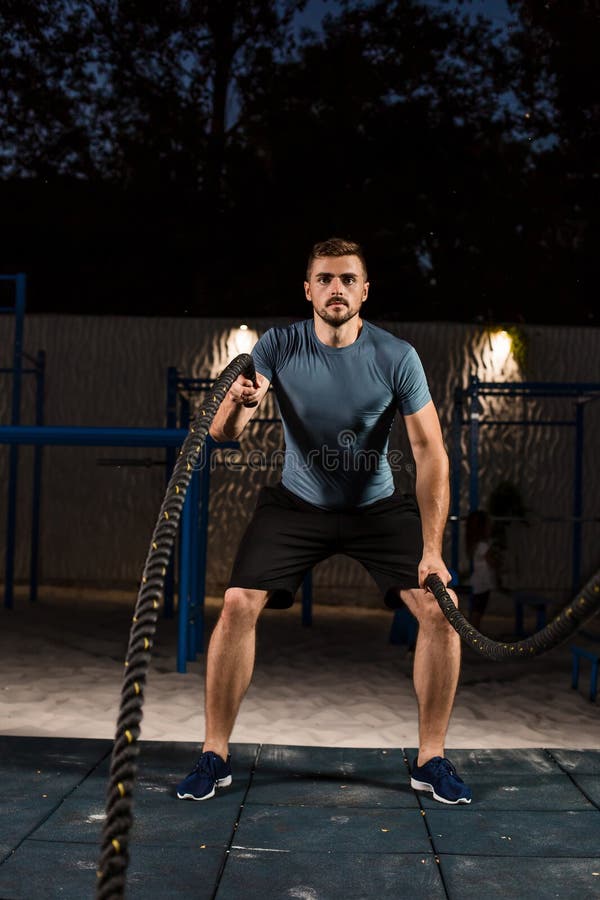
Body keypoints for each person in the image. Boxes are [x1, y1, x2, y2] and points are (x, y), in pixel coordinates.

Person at [176, 237, 471, 806]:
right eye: (325, 278)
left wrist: (431, 548)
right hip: (297, 505)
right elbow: (223, 435)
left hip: (377, 508)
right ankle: (214, 753)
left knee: (442, 607)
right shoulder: (278, 347)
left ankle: (431, 759)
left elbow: (432, 452)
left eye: (348, 279)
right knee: (237, 603)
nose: (337, 288)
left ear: (364, 290)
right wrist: (240, 402)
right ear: (308, 289)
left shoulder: (396, 356)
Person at [465, 509, 500, 632]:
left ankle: (473, 632)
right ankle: (474, 634)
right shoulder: (484, 546)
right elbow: (491, 562)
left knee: (476, 609)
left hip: (478, 581)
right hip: (482, 583)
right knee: (478, 610)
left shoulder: (475, 544)